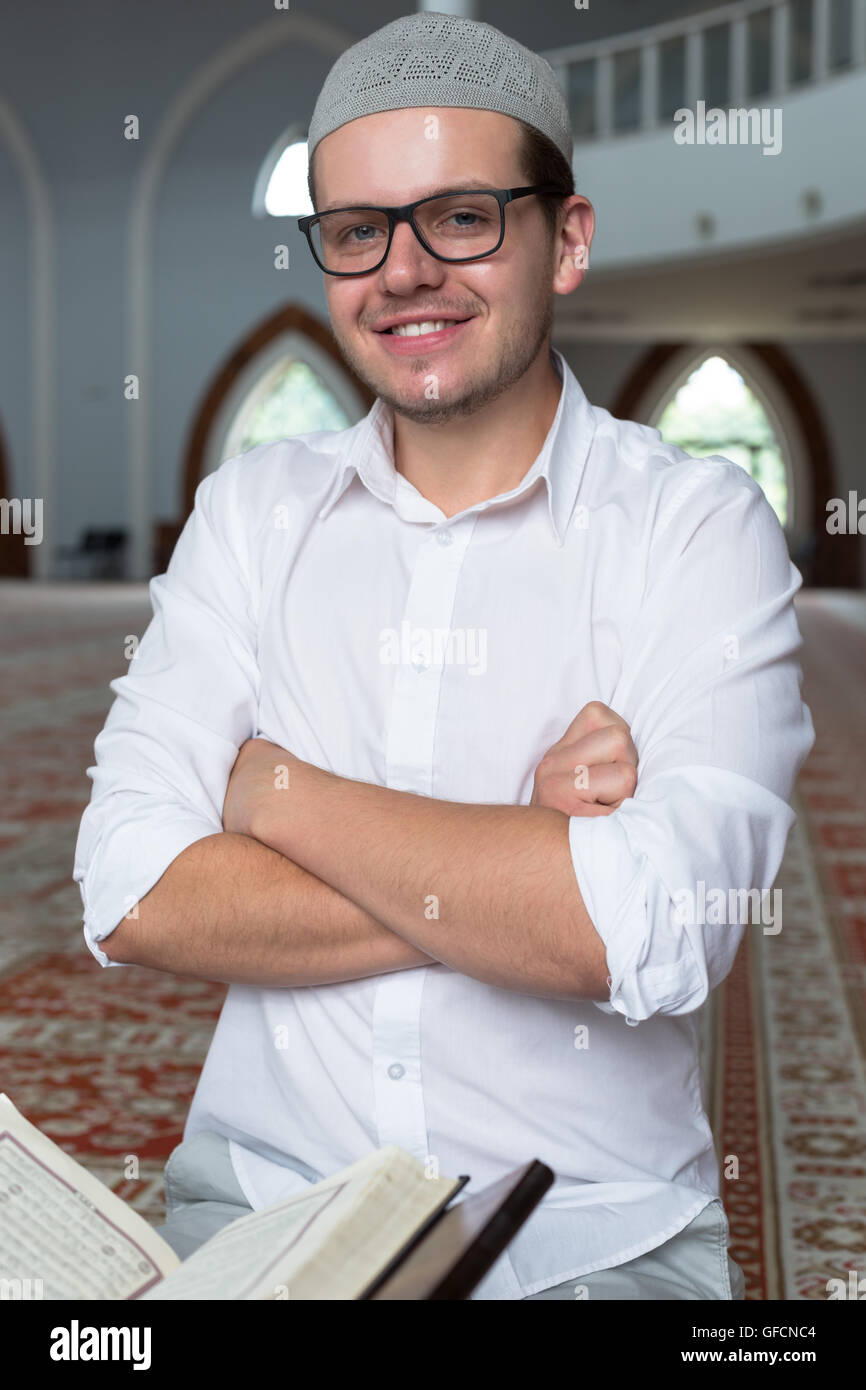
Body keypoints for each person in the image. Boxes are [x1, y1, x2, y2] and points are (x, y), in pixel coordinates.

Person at [73, 10, 814, 1300]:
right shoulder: (250, 518)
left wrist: (273, 795)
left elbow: (653, 927)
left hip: (593, 1237)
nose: (404, 269)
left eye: (462, 215)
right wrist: (511, 855)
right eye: (359, 229)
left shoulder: (696, 529)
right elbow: (131, 893)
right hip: (260, 1207)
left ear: (567, 240)